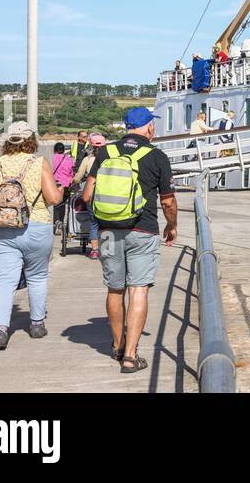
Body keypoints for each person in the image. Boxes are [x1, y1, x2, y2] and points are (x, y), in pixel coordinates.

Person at [82, 108, 177, 375]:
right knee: (138, 289)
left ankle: (116, 345)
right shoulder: (157, 156)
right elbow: (168, 201)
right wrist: (172, 226)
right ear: (148, 127)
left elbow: (88, 195)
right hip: (143, 232)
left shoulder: (105, 152)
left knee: (115, 289)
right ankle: (131, 356)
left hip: (109, 232)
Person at [0, 121, 63, 350]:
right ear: (32, 139)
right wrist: (61, 190)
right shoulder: (39, 163)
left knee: (4, 281)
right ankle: (36, 324)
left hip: (2, 230)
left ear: (8, 141)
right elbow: (53, 199)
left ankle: (0, 331)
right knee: (38, 276)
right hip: (36, 227)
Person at [73, 132, 108, 258]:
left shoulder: (87, 160)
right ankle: (107, 248)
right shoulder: (109, 159)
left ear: (91, 146)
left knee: (93, 222)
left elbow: (78, 178)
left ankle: (94, 250)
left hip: (91, 193)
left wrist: (74, 181)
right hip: (107, 193)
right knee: (106, 221)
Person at [50, 143, 75, 233]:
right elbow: (71, 172)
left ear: (54, 150)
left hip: (55, 184)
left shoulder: (51, 158)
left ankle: (54, 224)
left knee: (55, 205)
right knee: (63, 205)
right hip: (66, 185)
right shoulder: (69, 159)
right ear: (63, 150)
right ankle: (61, 224)